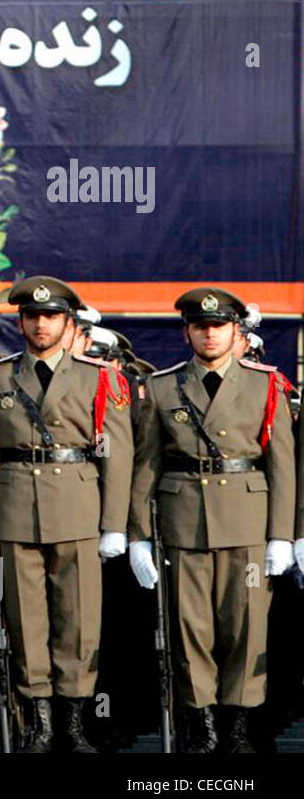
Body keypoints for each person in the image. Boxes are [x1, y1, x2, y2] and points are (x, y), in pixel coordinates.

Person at [0, 276, 133, 753]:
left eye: (51, 316)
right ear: (19, 321)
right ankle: (38, 720)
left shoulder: (100, 377)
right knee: (25, 620)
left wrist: (115, 525)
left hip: (78, 505)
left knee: (79, 620)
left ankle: (75, 721)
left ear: (68, 322)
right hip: (16, 507)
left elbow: (117, 456)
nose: (41, 324)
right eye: (32, 316)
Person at [129, 288, 295, 753]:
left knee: (246, 627)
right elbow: (146, 466)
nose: (209, 333)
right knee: (191, 629)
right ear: (187, 332)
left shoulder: (265, 384)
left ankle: (239, 727)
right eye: (200, 326)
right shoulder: (163, 386)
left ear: (235, 331)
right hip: (185, 523)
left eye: (218, 325)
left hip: (246, 519)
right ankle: (201, 728)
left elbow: (283, 465)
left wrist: (283, 535)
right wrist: (139, 535)